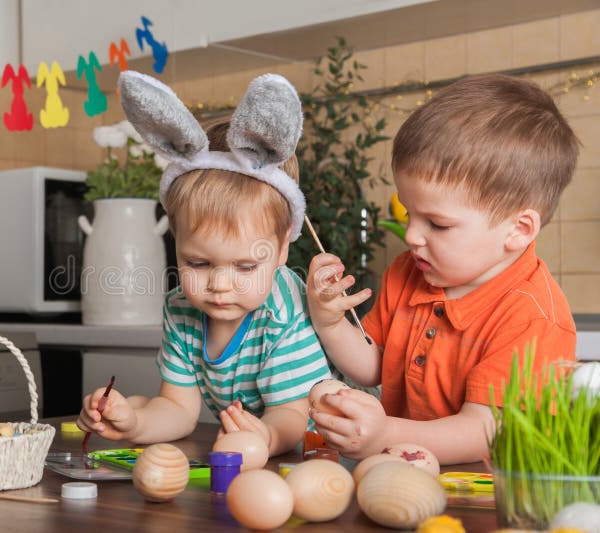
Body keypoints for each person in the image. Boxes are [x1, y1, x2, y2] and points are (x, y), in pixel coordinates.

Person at [306, 73, 579, 465]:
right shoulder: (408, 271)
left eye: (437, 224)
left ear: (517, 231)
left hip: (489, 498)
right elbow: (373, 365)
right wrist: (330, 322)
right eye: (407, 212)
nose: (412, 234)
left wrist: (387, 433)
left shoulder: (532, 317)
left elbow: (485, 431)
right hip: (404, 474)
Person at [77, 71, 333, 456]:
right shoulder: (181, 309)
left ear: (282, 251)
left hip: (315, 454)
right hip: (246, 456)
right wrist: (135, 423)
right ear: (176, 242)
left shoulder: (283, 308)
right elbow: (179, 409)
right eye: (198, 263)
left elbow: (292, 415)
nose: (219, 285)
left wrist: (261, 437)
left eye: (245, 267)